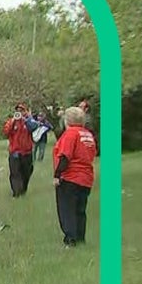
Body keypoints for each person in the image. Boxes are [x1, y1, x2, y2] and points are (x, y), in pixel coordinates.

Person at [52, 106, 96, 247]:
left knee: (67, 209)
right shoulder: (87, 135)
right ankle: (80, 237)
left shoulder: (70, 134)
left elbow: (65, 156)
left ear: (67, 120)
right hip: (86, 178)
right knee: (80, 210)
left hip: (70, 177)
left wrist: (57, 175)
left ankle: (71, 239)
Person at [3, 103, 36, 197]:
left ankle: (23, 189)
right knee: (15, 172)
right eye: (18, 111)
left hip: (27, 152)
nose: (20, 113)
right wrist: (13, 121)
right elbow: (6, 131)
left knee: (27, 172)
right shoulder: (11, 121)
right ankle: (16, 192)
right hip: (15, 152)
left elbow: (34, 127)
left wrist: (27, 118)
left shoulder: (29, 121)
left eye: (22, 110)